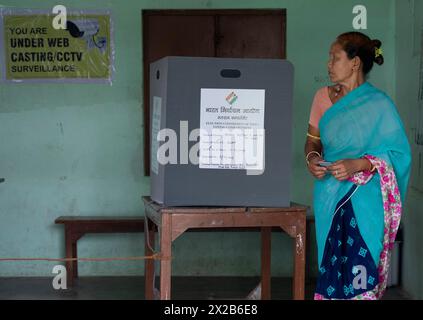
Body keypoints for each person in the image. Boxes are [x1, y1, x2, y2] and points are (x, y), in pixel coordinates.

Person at [304, 31, 411, 300]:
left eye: (335, 57)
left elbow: (398, 153)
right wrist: (312, 159)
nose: (328, 64)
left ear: (355, 63)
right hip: (330, 194)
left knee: (362, 273)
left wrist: (359, 164)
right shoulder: (322, 98)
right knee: (332, 271)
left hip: (366, 202)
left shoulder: (379, 104)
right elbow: (312, 143)